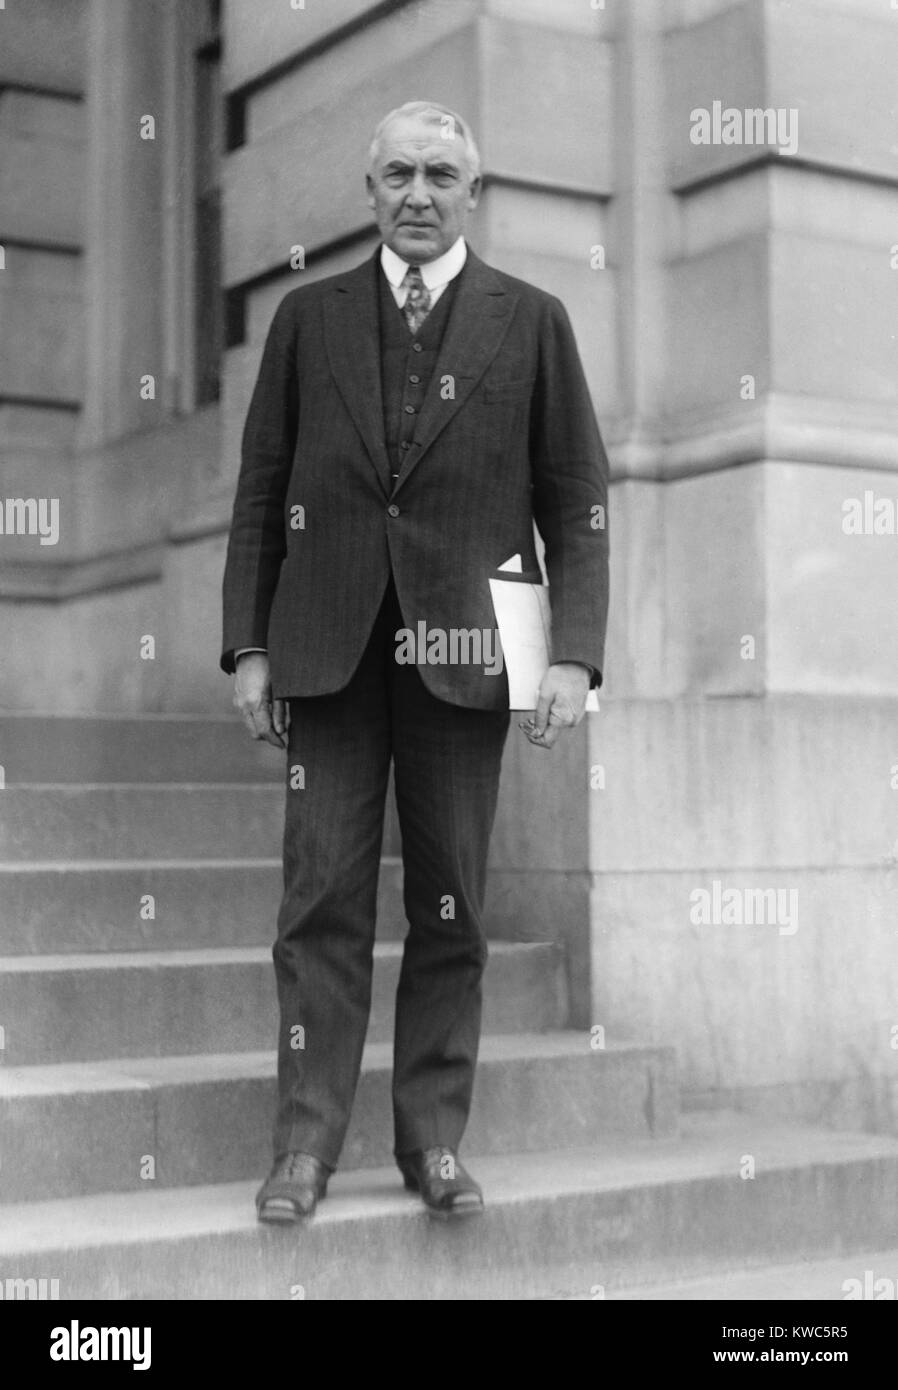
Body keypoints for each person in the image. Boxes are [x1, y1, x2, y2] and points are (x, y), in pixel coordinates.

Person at [221, 101, 610, 1223]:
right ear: (369, 188)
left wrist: (573, 657)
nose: (418, 193)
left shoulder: (530, 321)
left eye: (441, 174)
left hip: (464, 654)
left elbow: (573, 503)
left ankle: (434, 1141)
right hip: (326, 653)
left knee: (451, 910)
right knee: (320, 902)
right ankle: (304, 1146)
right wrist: (249, 644)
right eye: (397, 173)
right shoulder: (308, 319)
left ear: (473, 192)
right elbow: (260, 490)